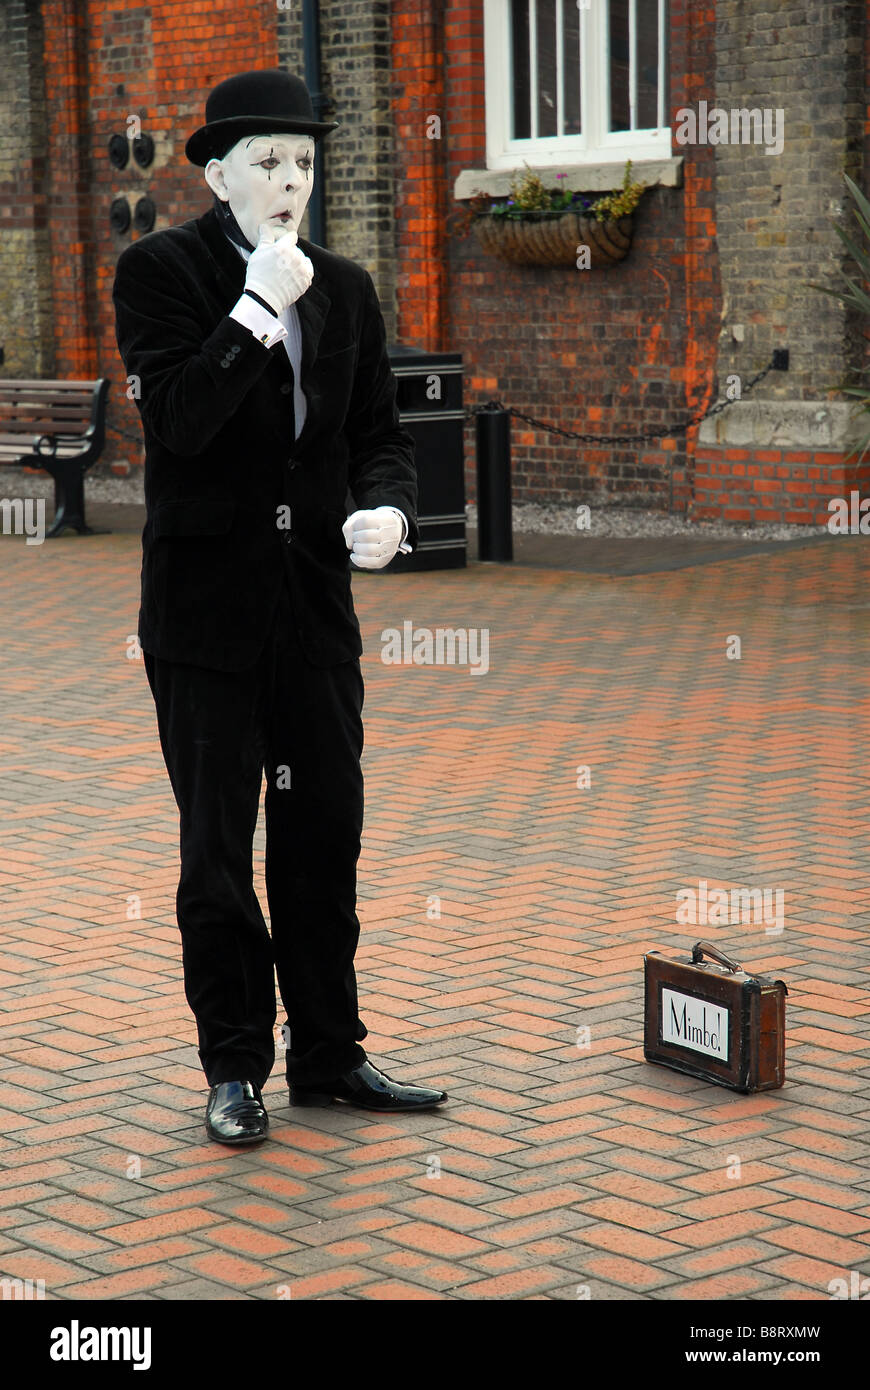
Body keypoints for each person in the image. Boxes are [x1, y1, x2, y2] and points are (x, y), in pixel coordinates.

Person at [112, 68, 447, 1145]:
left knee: (323, 836)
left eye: (304, 160)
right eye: (266, 160)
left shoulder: (346, 288)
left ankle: (332, 1055)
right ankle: (233, 1069)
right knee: (216, 851)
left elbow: (377, 438)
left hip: (312, 617)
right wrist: (255, 309)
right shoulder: (158, 272)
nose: (289, 178)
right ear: (217, 175)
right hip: (205, 622)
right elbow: (177, 423)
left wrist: (392, 513)